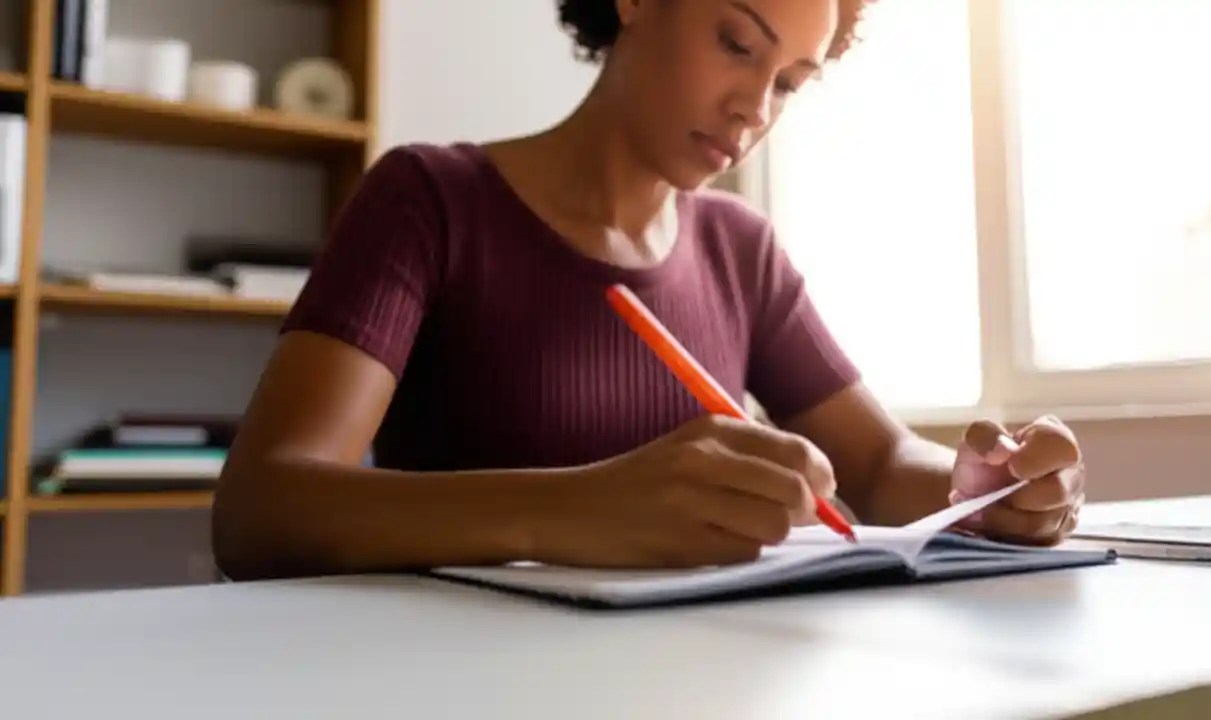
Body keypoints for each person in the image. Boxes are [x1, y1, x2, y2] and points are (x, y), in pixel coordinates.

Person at [211, 0, 1086, 581]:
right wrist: (573, 507)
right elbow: (262, 510)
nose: (756, 108)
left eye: (788, 81)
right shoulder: (431, 201)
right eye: (736, 43)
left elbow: (881, 464)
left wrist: (981, 494)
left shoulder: (739, 248)